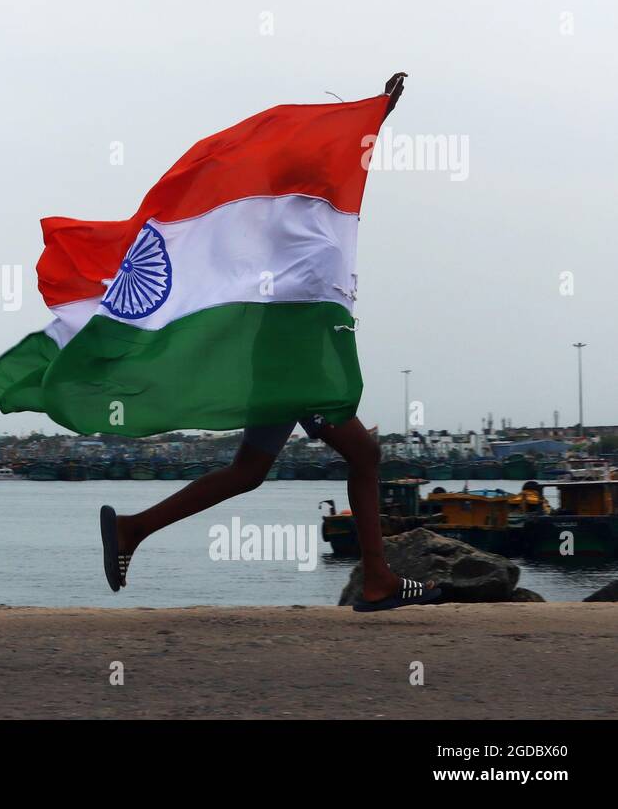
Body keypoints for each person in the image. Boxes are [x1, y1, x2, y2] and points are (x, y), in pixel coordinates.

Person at [100, 73, 441, 612]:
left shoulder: (311, 218)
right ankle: (377, 579)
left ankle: (133, 529)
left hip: (284, 360)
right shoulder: (293, 222)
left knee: (248, 471)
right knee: (365, 454)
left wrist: (377, 113)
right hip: (292, 365)